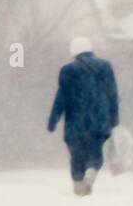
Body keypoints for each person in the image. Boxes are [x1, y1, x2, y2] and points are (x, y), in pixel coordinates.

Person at [47, 36, 120, 196]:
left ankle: (79, 187)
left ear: (74, 52)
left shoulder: (68, 70)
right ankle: (90, 173)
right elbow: (112, 94)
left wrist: (53, 120)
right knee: (95, 153)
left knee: (76, 156)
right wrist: (114, 119)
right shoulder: (105, 66)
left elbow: (61, 97)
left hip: (75, 124)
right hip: (99, 123)